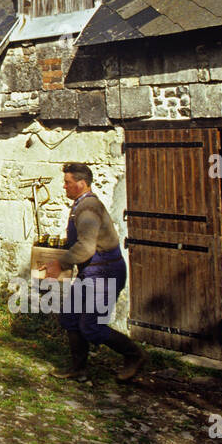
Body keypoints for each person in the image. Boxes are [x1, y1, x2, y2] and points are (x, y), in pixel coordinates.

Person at [45, 163, 147, 382]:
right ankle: (78, 370)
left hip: (104, 272)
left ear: (81, 184)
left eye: (67, 182)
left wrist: (60, 264)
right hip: (91, 271)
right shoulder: (81, 205)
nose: (64, 187)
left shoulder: (88, 208)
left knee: (92, 327)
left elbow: (86, 247)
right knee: (70, 317)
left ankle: (135, 355)